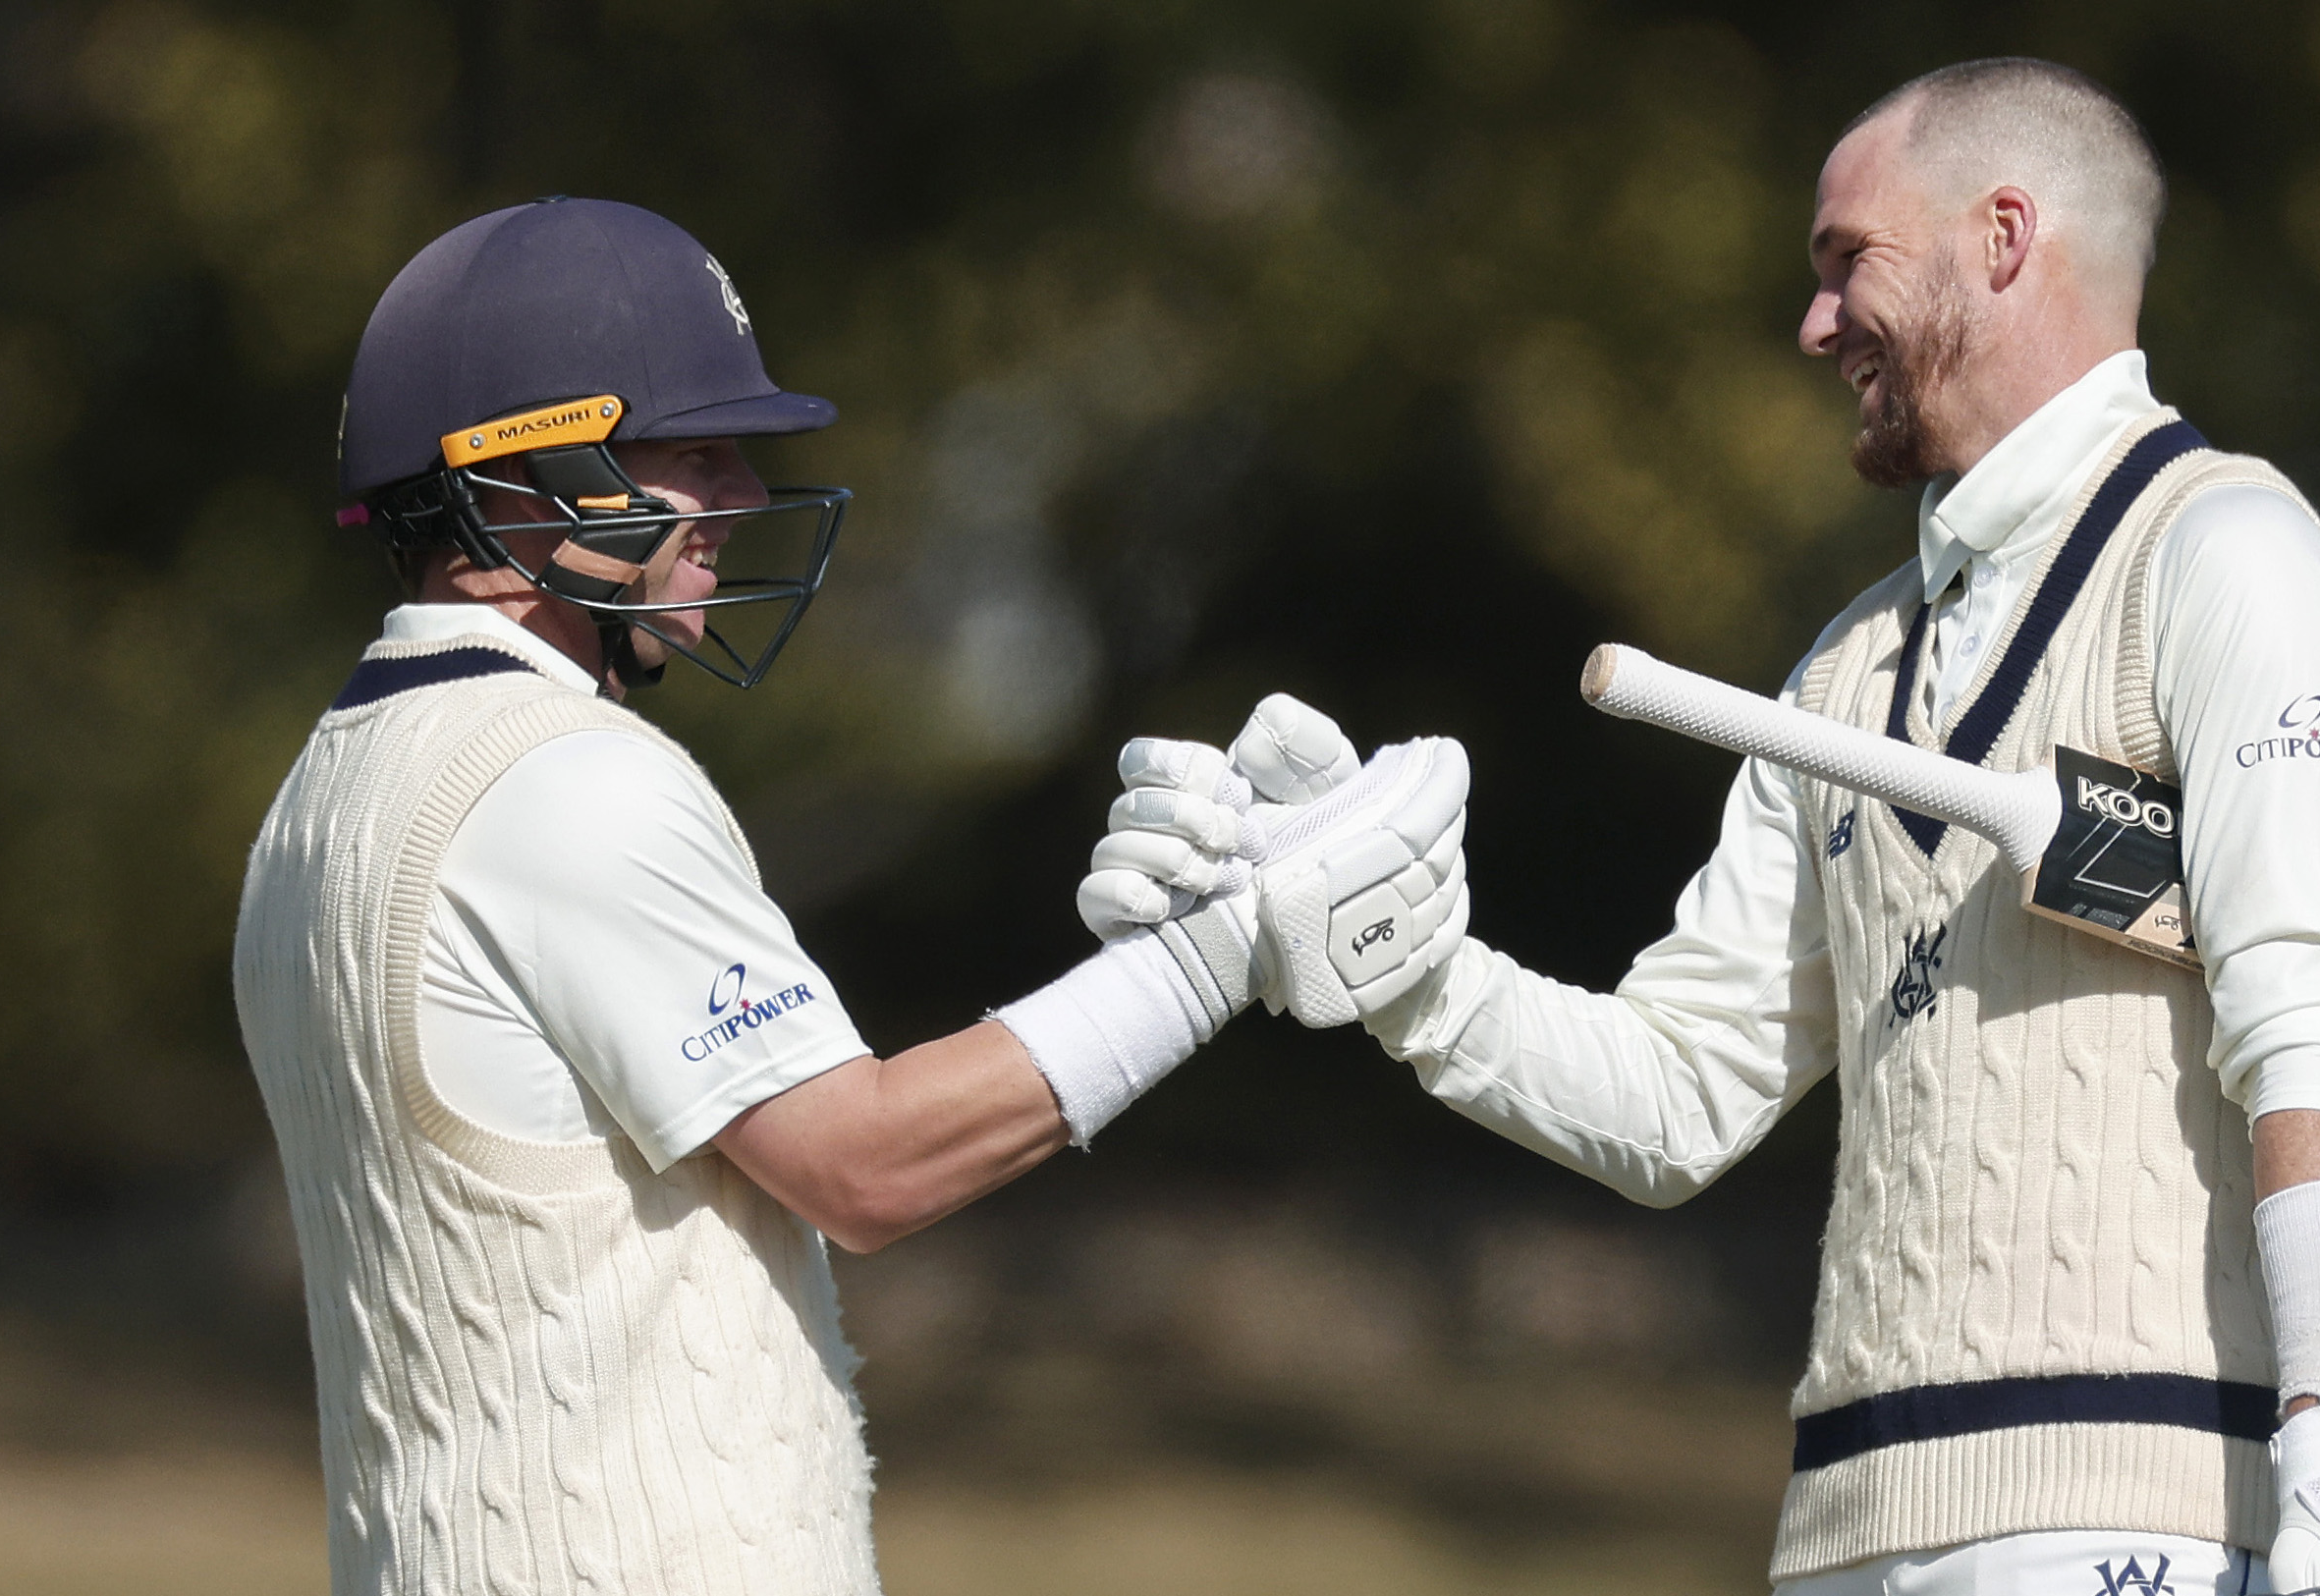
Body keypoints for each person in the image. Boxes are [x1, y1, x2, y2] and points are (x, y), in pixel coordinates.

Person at [1083, 60, 2320, 1596]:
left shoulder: (2227, 549)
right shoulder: (1839, 673)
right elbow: (1676, 1093)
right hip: (1847, 1530)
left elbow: (2307, 1014)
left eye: (1847, 265)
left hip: (2138, 1511)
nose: (1813, 324)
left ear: (2004, 235)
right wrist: (1404, 965)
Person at [231, 195, 1460, 1594]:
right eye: (694, 454)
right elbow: (865, 1162)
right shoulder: (562, 776)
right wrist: (1222, 948)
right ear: (526, 478)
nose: (742, 501)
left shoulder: (325, 791)